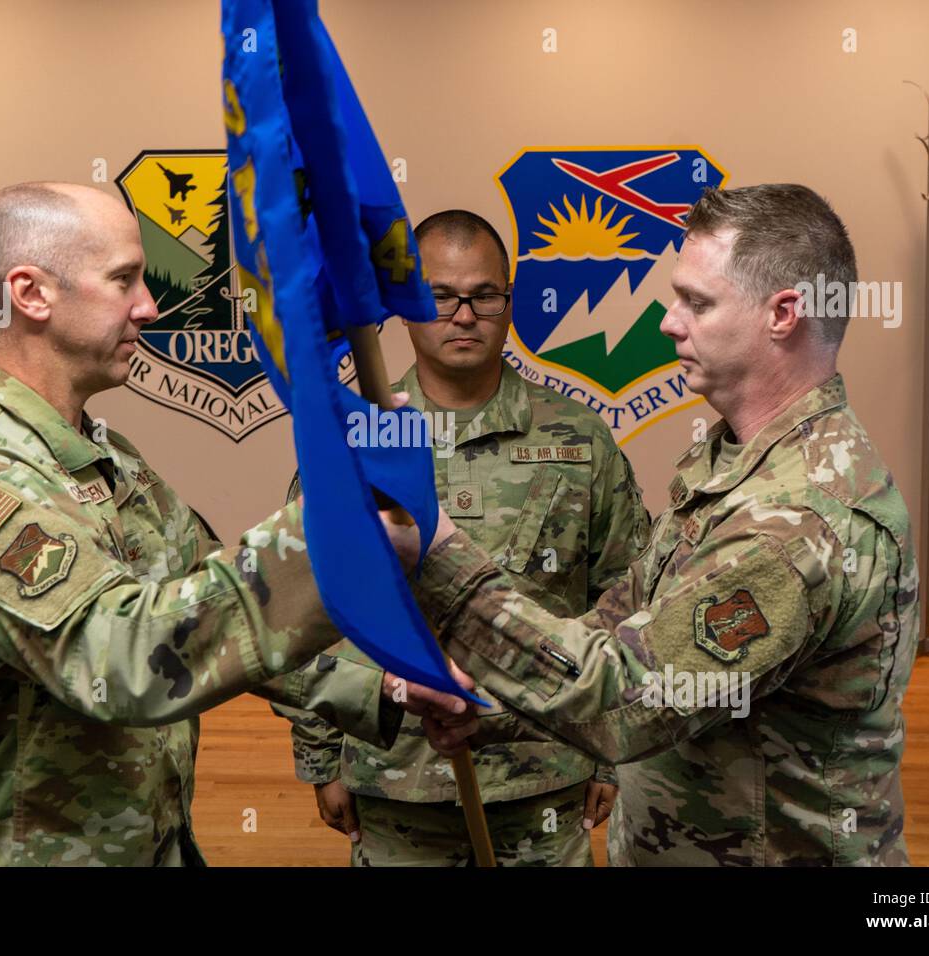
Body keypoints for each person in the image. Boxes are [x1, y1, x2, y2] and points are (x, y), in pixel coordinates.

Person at [0, 182, 426, 866]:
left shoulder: (107, 461)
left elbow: (208, 613)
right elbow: (123, 660)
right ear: (31, 294)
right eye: (124, 279)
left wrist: (384, 689)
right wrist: (332, 524)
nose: (150, 306)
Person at [391, 184, 920, 866]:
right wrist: (480, 701)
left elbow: (622, 702)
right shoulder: (730, 461)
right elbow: (614, 626)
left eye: (696, 302)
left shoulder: (796, 524)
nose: (669, 323)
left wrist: (438, 554)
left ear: (783, 314)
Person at [274, 211, 650, 866]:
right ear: (407, 304)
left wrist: (610, 757)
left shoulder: (578, 438)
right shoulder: (357, 442)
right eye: (439, 296)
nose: (464, 314)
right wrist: (319, 756)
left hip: (542, 777)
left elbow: (625, 599)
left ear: (510, 303)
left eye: (484, 295)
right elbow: (309, 613)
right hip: (396, 776)